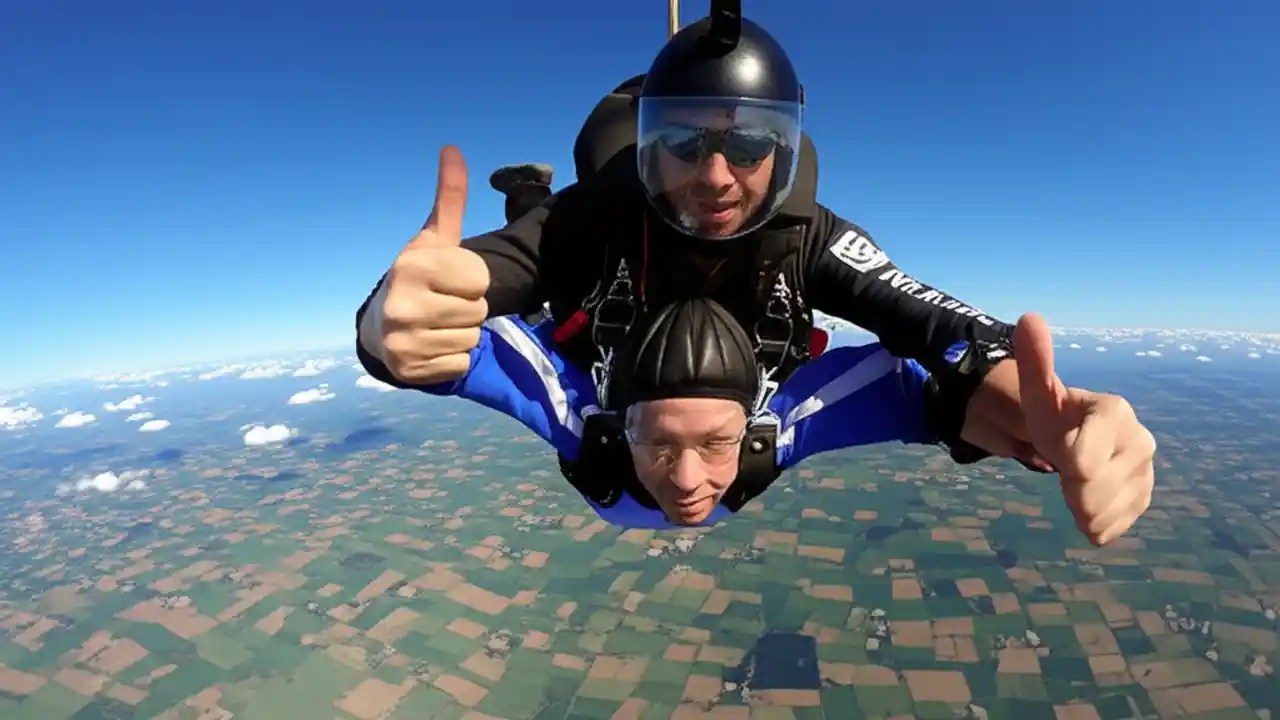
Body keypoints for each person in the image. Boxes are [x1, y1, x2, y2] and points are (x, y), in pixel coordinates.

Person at [355, 6, 1156, 545]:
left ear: (783, 152)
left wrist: (1042, 413)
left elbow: (936, 336)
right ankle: (527, 184)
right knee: (534, 298)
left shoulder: (807, 240)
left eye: (745, 147)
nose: (714, 176)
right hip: (600, 331)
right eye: (681, 144)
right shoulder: (589, 217)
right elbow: (459, 296)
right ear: (648, 150)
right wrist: (391, 324)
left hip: (670, 397)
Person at [419, 295, 947, 529]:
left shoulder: (769, 432)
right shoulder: (585, 419)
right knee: (548, 318)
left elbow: (917, 383)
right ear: (622, 430)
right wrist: (403, 327)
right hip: (610, 384)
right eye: (658, 443)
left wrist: (992, 383)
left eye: (717, 442)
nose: (687, 482)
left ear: (750, 429)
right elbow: (470, 351)